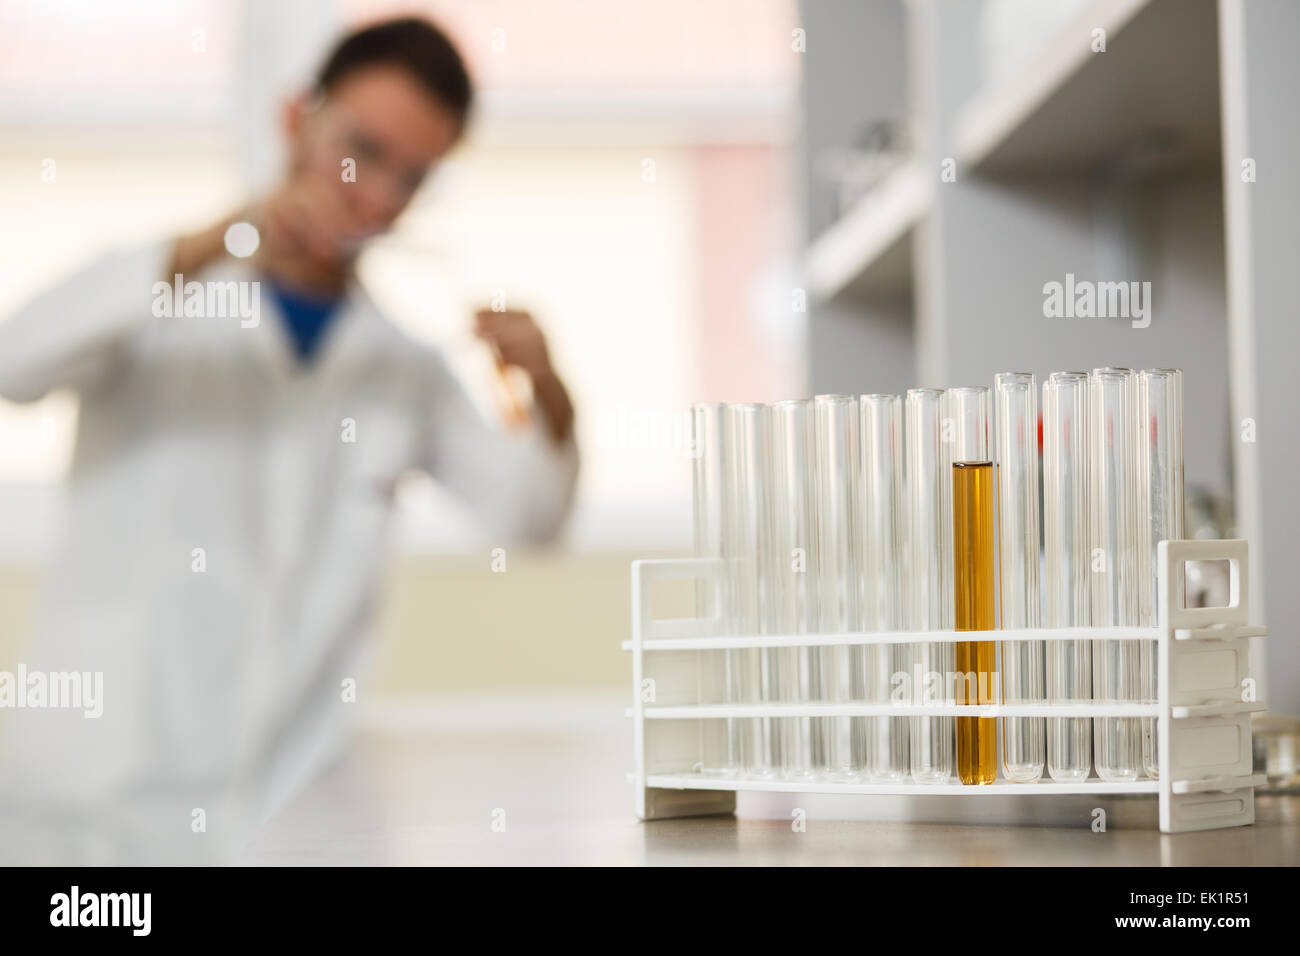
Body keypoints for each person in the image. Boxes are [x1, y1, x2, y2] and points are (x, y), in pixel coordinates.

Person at [0, 17, 578, 863]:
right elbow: (14, 361)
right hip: (95, 816)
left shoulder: (402, 366)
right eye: (364, 152)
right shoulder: (160, 291)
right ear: (294, 118)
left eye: (412, 177)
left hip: (287, 819)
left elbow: (529, 522)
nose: (378, 197)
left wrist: (550, 387)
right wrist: (226, 237)